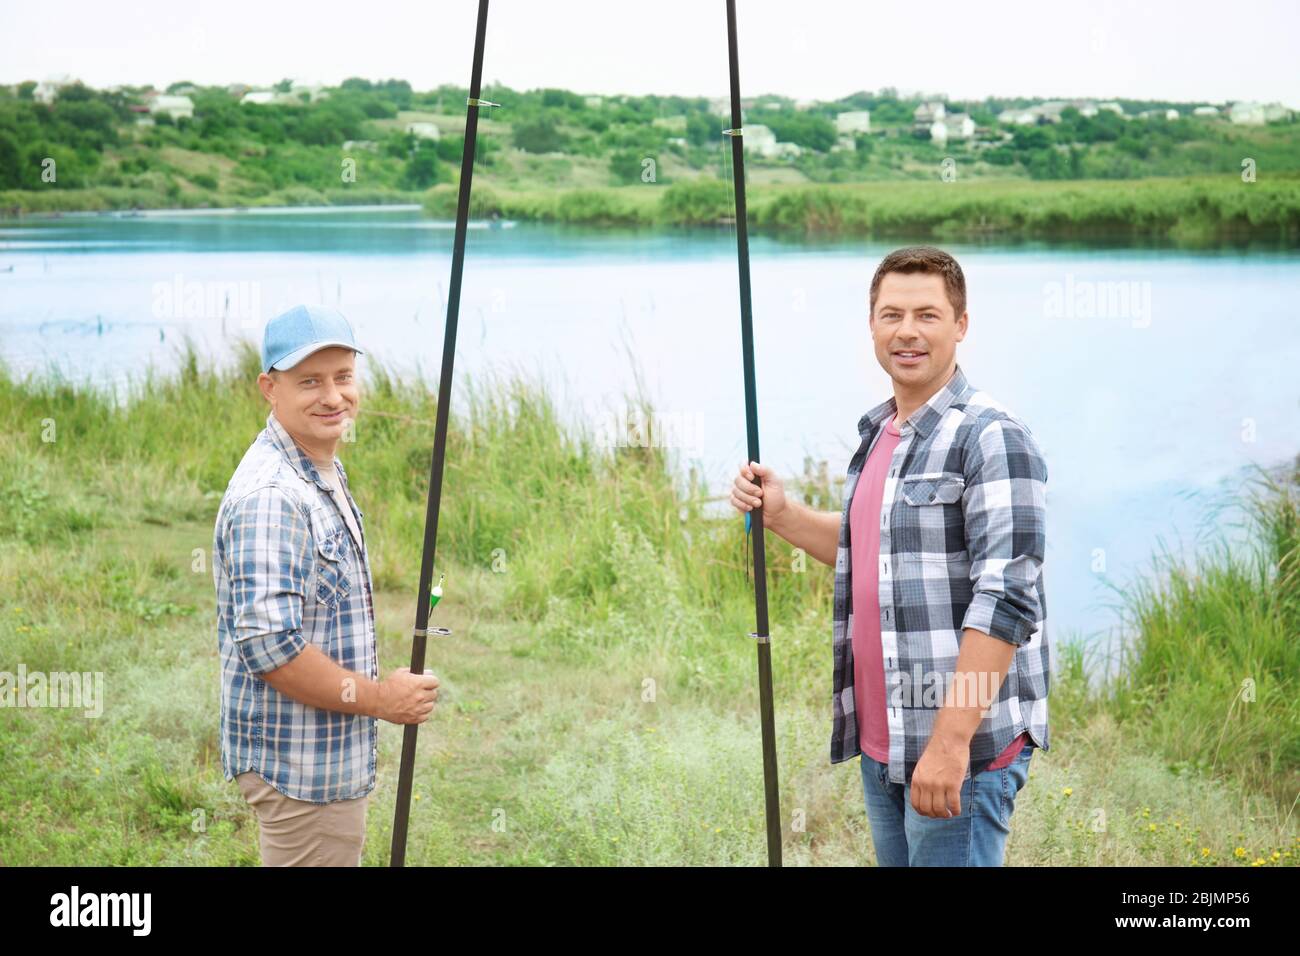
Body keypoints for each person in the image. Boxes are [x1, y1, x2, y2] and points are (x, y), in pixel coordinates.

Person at [730, 246, 1050, 866]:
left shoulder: (992, 436)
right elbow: (864, 552)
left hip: (959, 752)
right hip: (887, 744)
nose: (907, 331)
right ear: (871, 325)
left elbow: (1007, 600)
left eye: (928, 315)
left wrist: (951, 744)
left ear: (961, 325)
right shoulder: (882, 433)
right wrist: (782, 515)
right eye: (891, 314)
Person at [213, 303, 440, 866]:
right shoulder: (273, 496)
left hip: (322, 757)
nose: (334, 397)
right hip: (300, 764)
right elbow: (272, 647)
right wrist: (382, 699)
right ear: (269, 387)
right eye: (309, 381)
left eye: (343, 377)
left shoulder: (316, 465)